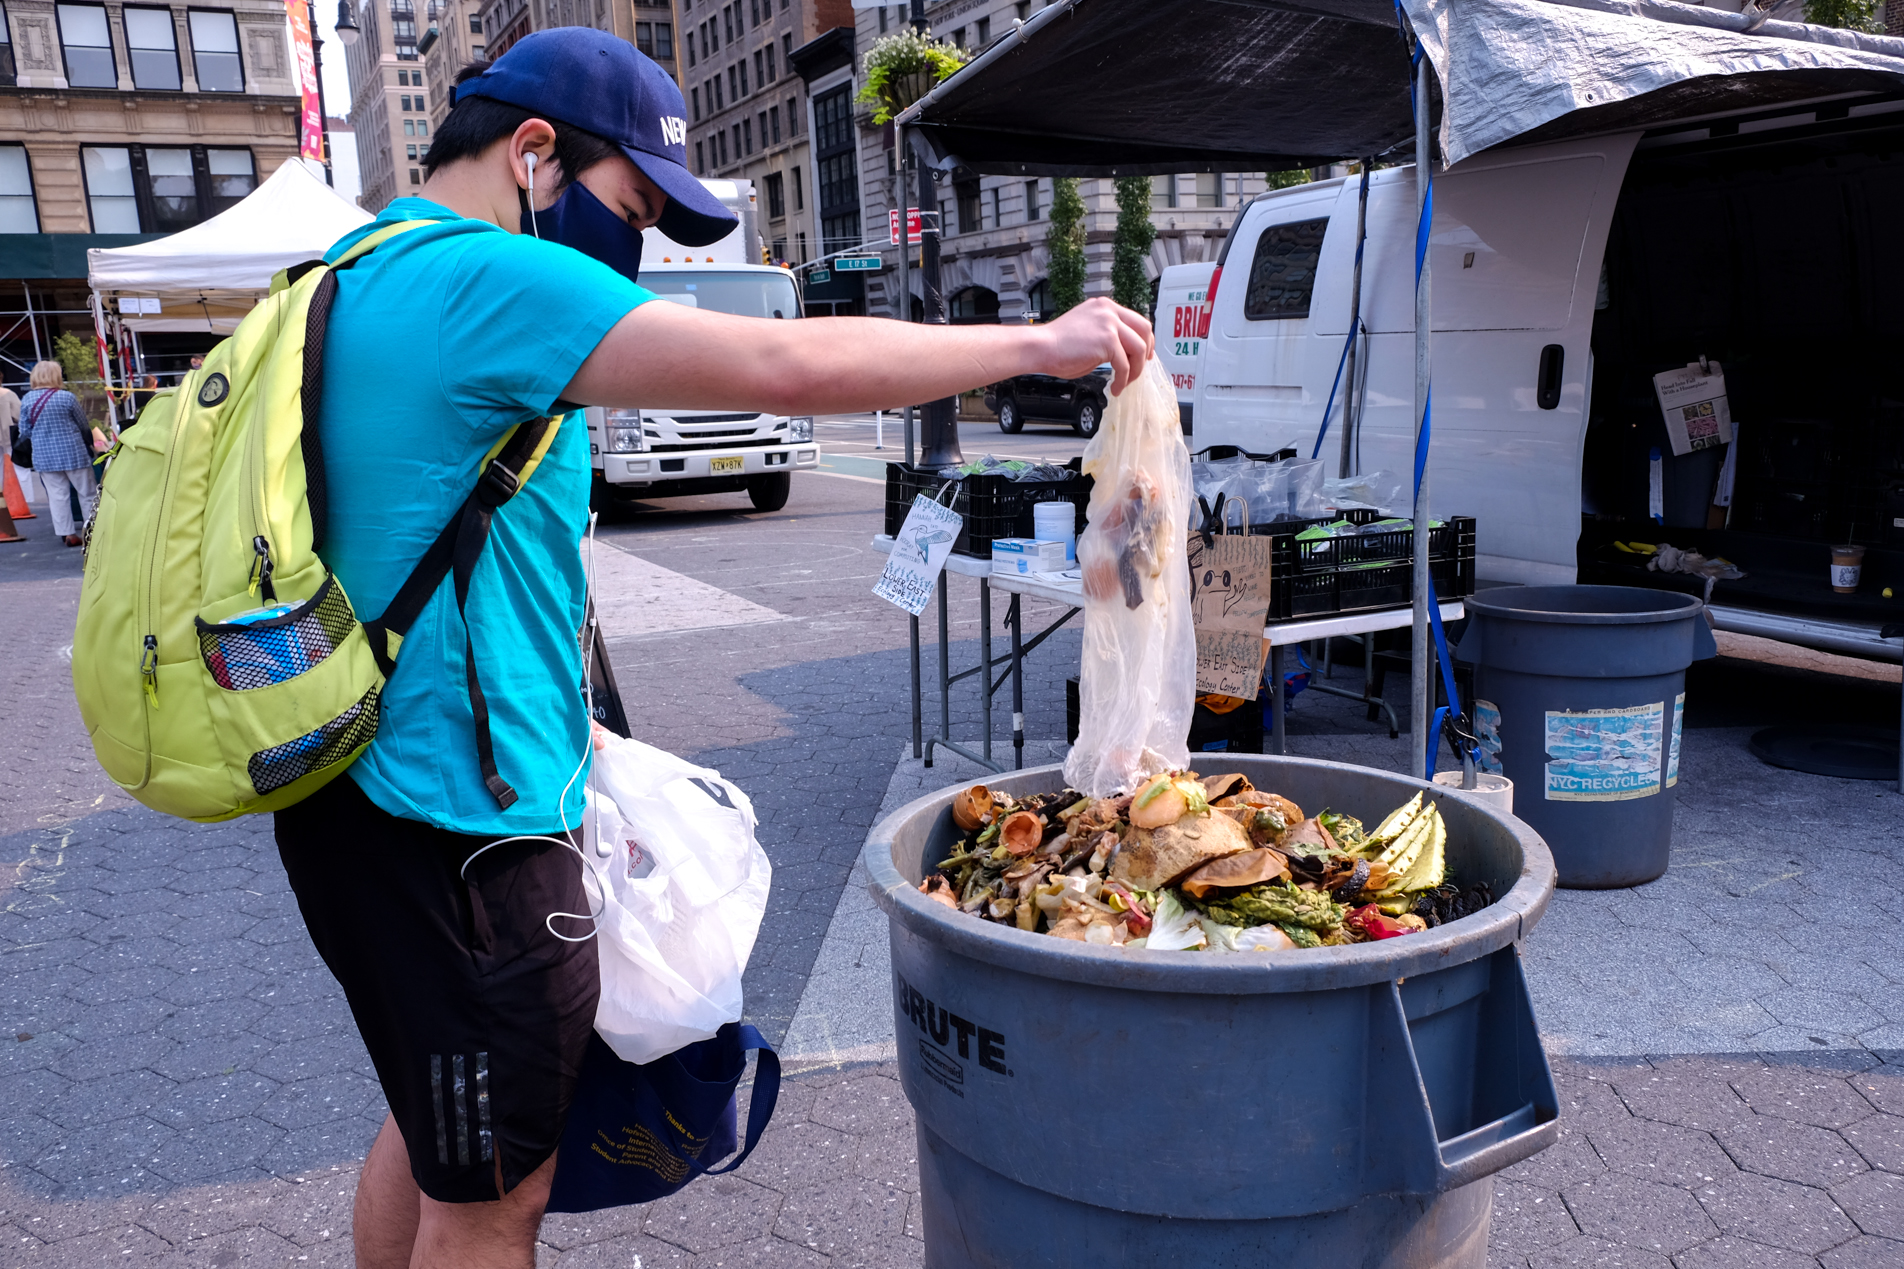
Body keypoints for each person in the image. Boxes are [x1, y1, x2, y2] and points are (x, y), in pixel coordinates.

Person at [268, 28, 1150, 1269]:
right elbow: (786, 362)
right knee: (494, 1200)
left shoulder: (353, 269)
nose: (626, 249)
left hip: (357, 797)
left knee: (432, 1128)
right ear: (533, 154)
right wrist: (1033, 343)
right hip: (464, 827)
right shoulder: (484, 279)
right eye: (625, 205)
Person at [18, 361, 100, 547]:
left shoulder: (27, 399)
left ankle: (67, 534)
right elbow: (82, 424)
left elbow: (24, 430)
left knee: (57, 496)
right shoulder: (67, 397)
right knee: (87, 493)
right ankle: (92, 531)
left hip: (44, 456)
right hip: (74, 453)